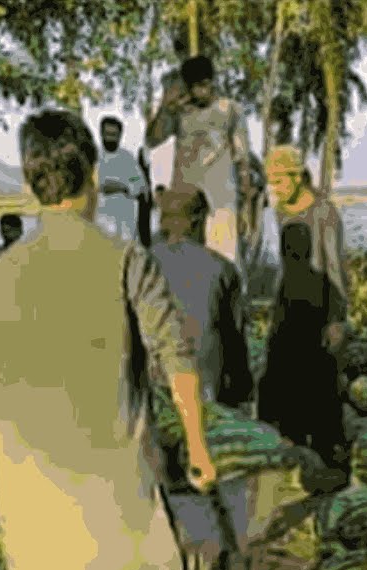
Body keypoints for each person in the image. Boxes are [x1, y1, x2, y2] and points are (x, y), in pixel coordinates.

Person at [0, 109, 217, 570]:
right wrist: (199, 452)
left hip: (27, 522)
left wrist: (7, 450)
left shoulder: (0, 275)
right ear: (93, 175)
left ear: (30, 181)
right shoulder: (125, 259)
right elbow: (177, 360)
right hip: (111, 517)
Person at [151, 185, 253, 407]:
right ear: (197, 221)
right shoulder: (222, 269)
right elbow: (234, 342)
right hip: (205, 394)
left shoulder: (140, 263)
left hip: (152, 392)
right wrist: (243, 394)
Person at [146, 56, 253, 267]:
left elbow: (242, 159)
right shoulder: (180, 111)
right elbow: (152, 139)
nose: (200, 91)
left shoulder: (230, 110)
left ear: (212, 81)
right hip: (185, 205)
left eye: (204, 84)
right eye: (194, 86)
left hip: (222, 202)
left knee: (225, 263)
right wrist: (165, 108)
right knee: (184, 265)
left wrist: (246, 206)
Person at [258, 222, 348, 473]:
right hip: (318, 367)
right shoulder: (321, 280)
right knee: (323, 430)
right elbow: (338, 319)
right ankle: (328, 466)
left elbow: (277, 336)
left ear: (284, 251)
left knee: (293, 431)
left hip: (290, 369)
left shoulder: (287, 284)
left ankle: (305, 471)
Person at [264, 145, 350, 353]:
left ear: (298, 177)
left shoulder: (324, 212)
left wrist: (336, 320)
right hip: (286, 306)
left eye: (279, 181)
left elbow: (335, 267)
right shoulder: (278, 213)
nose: (274, 189)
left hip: (317, 308)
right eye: (271, 183)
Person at [96, 116, 151, 247]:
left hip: (125, 225)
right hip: (99, 222)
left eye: (114, 135)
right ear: (101, 133)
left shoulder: (127, 159)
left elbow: (139, 183)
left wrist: (123, 187)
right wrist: (102, 187)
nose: (110, 138)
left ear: (120, 135)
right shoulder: (93, 157)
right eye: (107, 134)